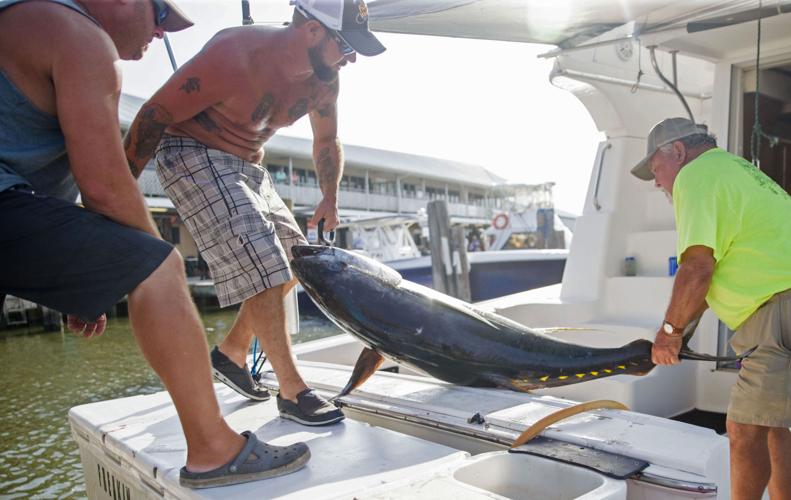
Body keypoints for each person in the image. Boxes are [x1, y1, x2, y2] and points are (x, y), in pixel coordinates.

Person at [0, 0, 310, 488]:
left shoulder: (28, 21)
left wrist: (93, 277)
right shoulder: (80, 37)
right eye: (159, 16)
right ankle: (213, 449)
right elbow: (103, 185)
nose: (163, 34)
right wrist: (128, 265)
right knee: (158, 262)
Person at [124, 0, 385, 425]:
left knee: (302, 262)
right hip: (192, 152)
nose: (351, 57)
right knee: (266, 263)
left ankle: (231, 353)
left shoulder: (326, 80)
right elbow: (154, 115)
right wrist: (114, 195)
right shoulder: (234, 55)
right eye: (345, 44)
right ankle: (292, 391)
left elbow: (326, 141)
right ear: (313, 31)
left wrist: (330, 198)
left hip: (250, 165)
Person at [631, 117, 791, 499]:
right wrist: (678, 329)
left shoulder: (695, 175)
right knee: (773, 425)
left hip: (774, 313)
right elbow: (714, 269)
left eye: (656, 170)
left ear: (679, 152)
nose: (657, 182)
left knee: (743, 430)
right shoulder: (734, 169)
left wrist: (669, 334)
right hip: (782, 304)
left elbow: (698, 266)